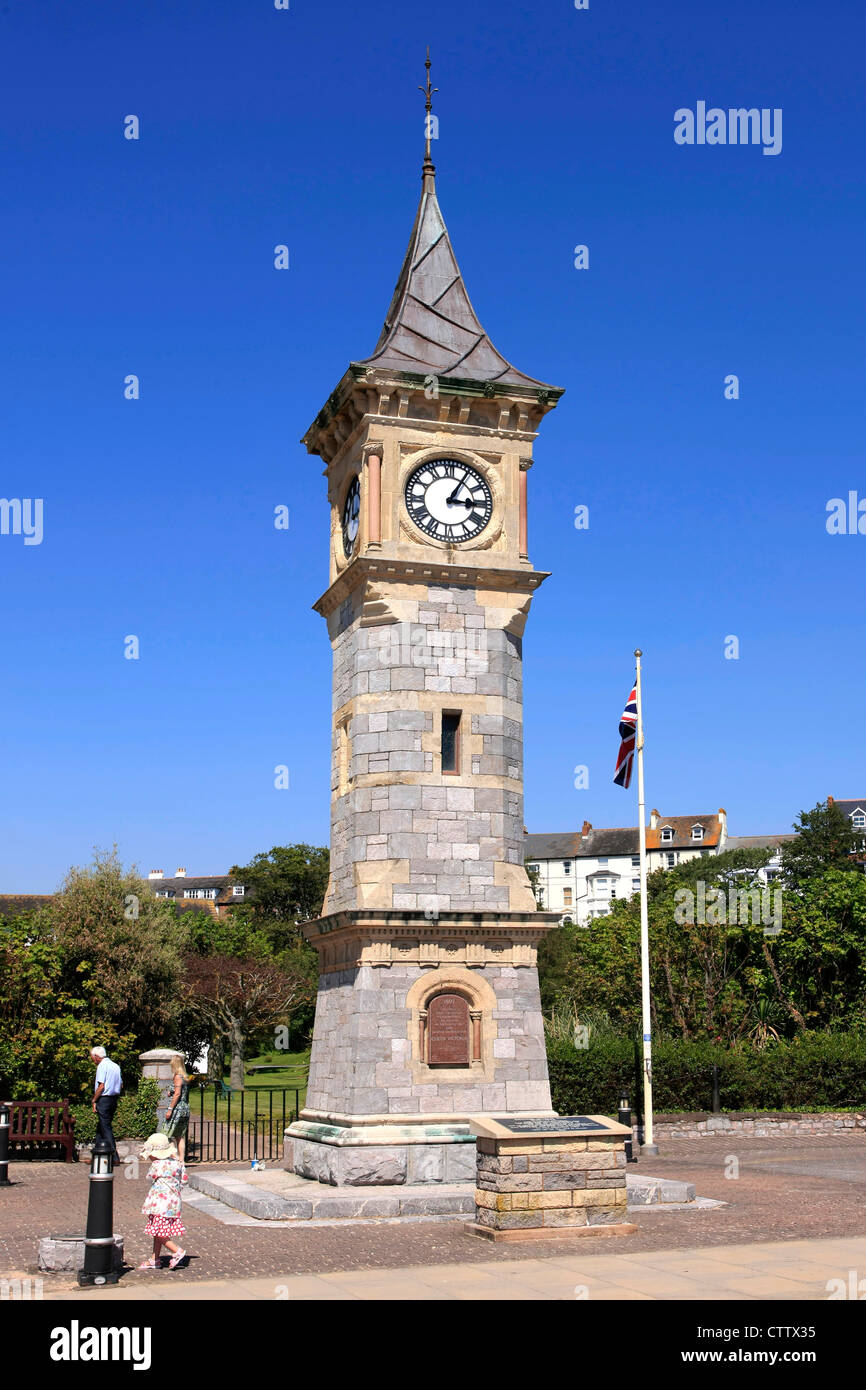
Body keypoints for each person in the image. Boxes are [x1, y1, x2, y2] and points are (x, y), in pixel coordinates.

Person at [139, 1132, 188, 1270]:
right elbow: (184, 1181)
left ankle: (177, 1251)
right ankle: (155, 1259)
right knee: (159, 1230)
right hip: (173, 1202)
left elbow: (149, 1178)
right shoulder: (178, 1163)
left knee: (160, 1232)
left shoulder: (157, 1165)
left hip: (159, 1203)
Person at [90, 1046, 122, 1163]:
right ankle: (97, 1155)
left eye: (93, 1058)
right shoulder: (115, 1066)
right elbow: (121, 1084)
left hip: (104, 1099)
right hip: (113, 1099)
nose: (93, 1060)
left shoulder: (102, 1066)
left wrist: (94, 1100)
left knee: (106, 1128)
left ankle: (114, 1156)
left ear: (97, 1057)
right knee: (102, 1127)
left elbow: (101, 1086)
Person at [164, 1054, 191, 1164]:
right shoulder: (185, 1077)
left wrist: (170, 1109)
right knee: (180, 1135)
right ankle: (181, 1160)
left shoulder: (177, 1076)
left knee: (167, 1134)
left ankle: (174, 1157)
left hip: (178, 1108)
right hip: (185, 1108)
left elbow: (177, 1094)